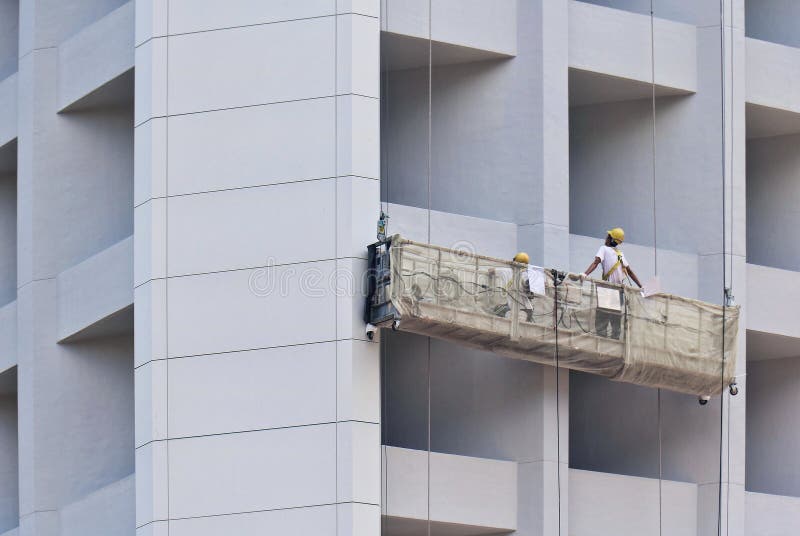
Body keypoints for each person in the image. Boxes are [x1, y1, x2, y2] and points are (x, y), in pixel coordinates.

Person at [583, 228, 643, 339]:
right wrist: (641, 286)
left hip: (607, 290)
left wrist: (584, 274)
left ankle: (603, 339)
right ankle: (613, 340)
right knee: (615, 319)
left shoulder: (604, 249)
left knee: (603, 317)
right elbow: (630, 272)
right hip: (618, 291)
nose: (606, 238)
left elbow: (596, 262)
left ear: (612, 239)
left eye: (608, 236)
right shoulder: (620, 254)